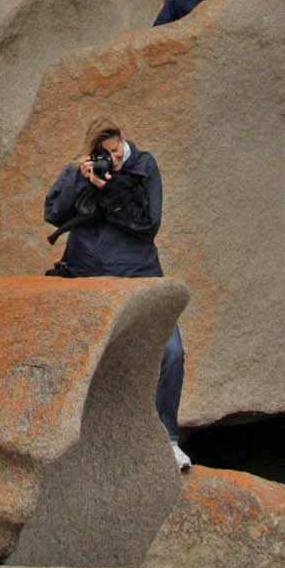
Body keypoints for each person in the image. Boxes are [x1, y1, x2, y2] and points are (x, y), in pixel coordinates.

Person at [43, 118, 191, 471]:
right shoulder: (82, 170)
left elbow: (147, 225)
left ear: (125, 141)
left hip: (138, 277)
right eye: (104, 153)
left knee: (172, 354)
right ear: (92, 152)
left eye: (116, 150)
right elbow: (53, 214)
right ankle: (78, 447)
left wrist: (109, 190)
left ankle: (168, 440)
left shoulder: (144, 167)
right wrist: (81, 179)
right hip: (87, 279)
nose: (114, 158)